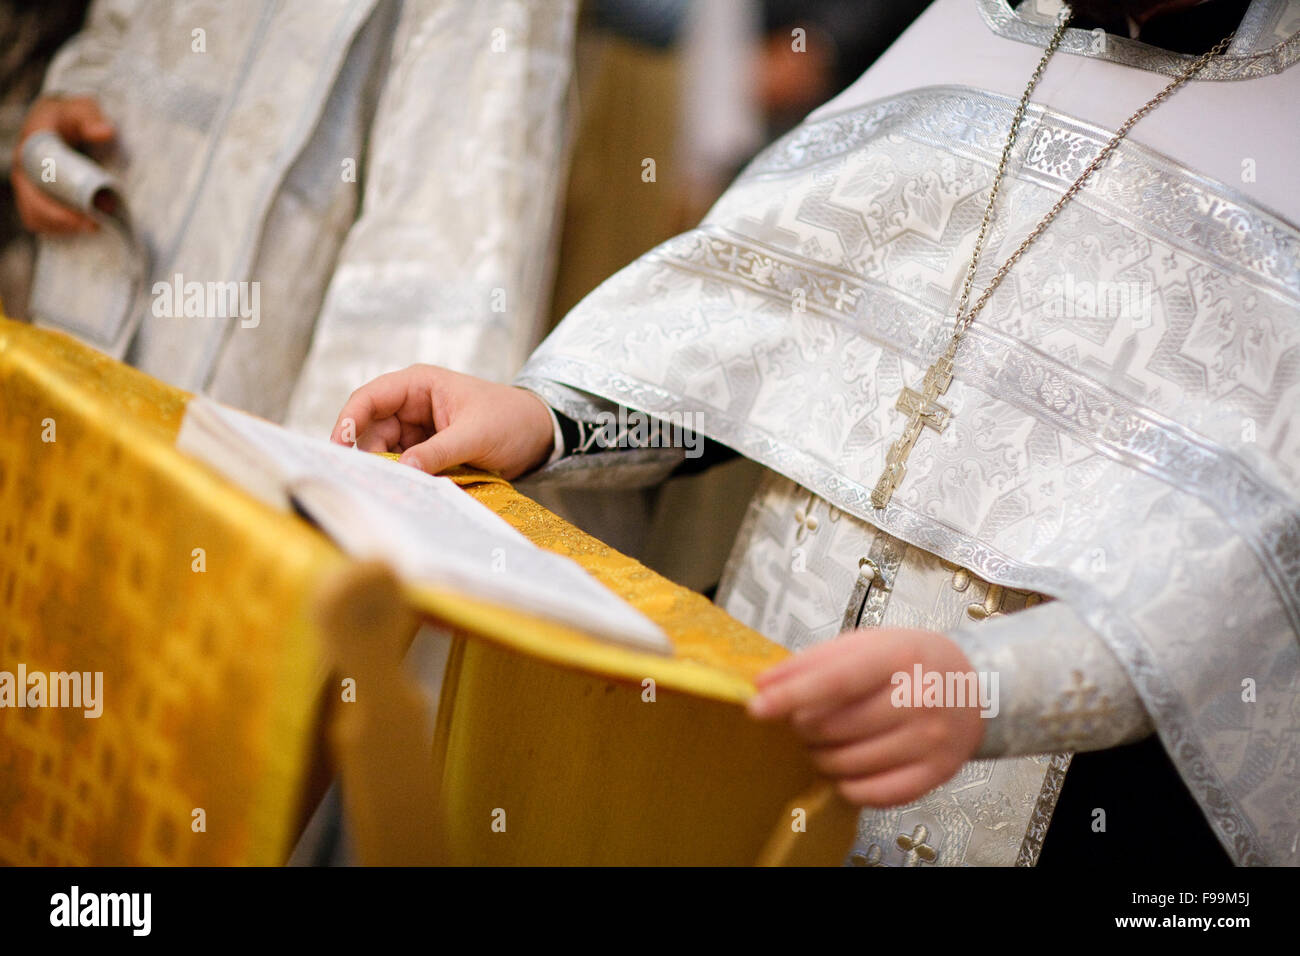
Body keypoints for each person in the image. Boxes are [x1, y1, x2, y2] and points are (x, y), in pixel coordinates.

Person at [332, 0, 1300, 866]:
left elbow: (1262, 561)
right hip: (745, 724)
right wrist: (552, 419)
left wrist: (995, 687)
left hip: (1082, 803)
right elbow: (758, 333)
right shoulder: (969, 37)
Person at [10, 0, 576, 431]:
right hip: (85, 287)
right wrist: (78, 88)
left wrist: (343, 484)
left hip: (260, 384)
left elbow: (448, 220)